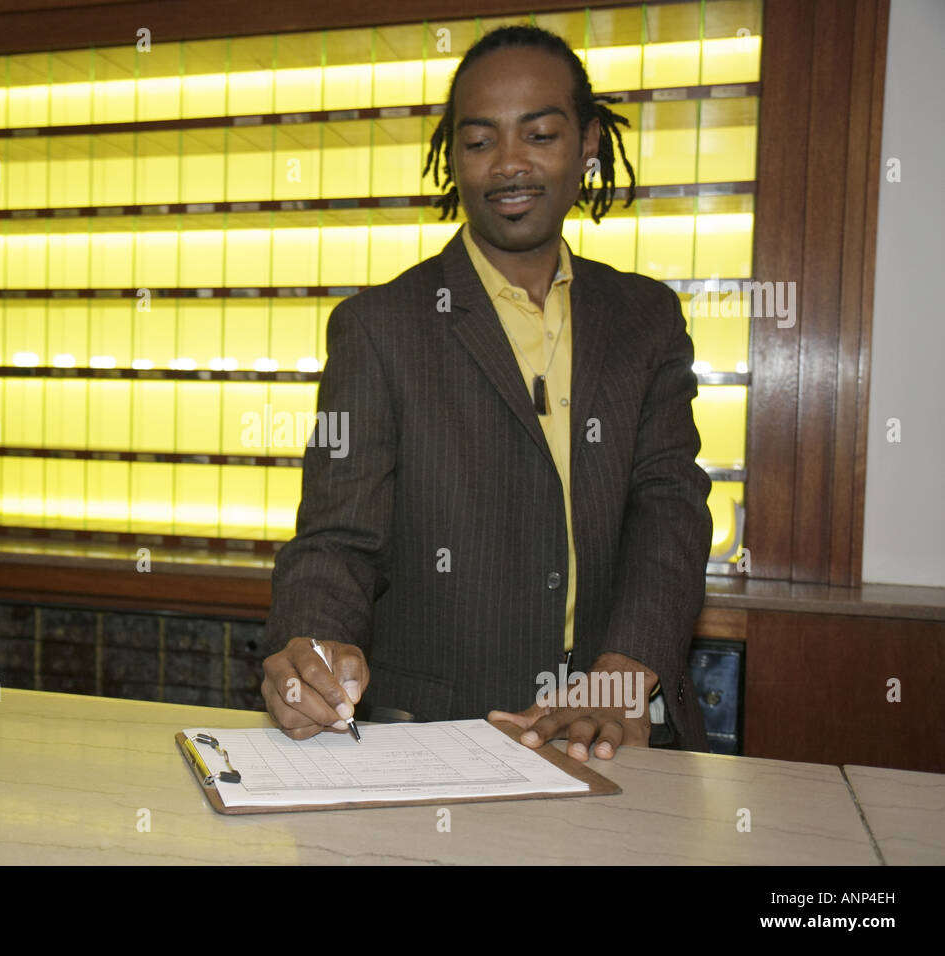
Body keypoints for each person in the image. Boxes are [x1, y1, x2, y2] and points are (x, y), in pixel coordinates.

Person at [261, 24, 713, 762]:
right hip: (439, 739)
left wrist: (626, 673)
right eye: (478, 143)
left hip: (619, 729)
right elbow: (338, 537)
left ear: (589, 142)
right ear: (452, 159)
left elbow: (671, 501)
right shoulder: (379, 327)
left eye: (539, 134)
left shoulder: (645, 318)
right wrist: (311, 644)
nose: (509, 165)